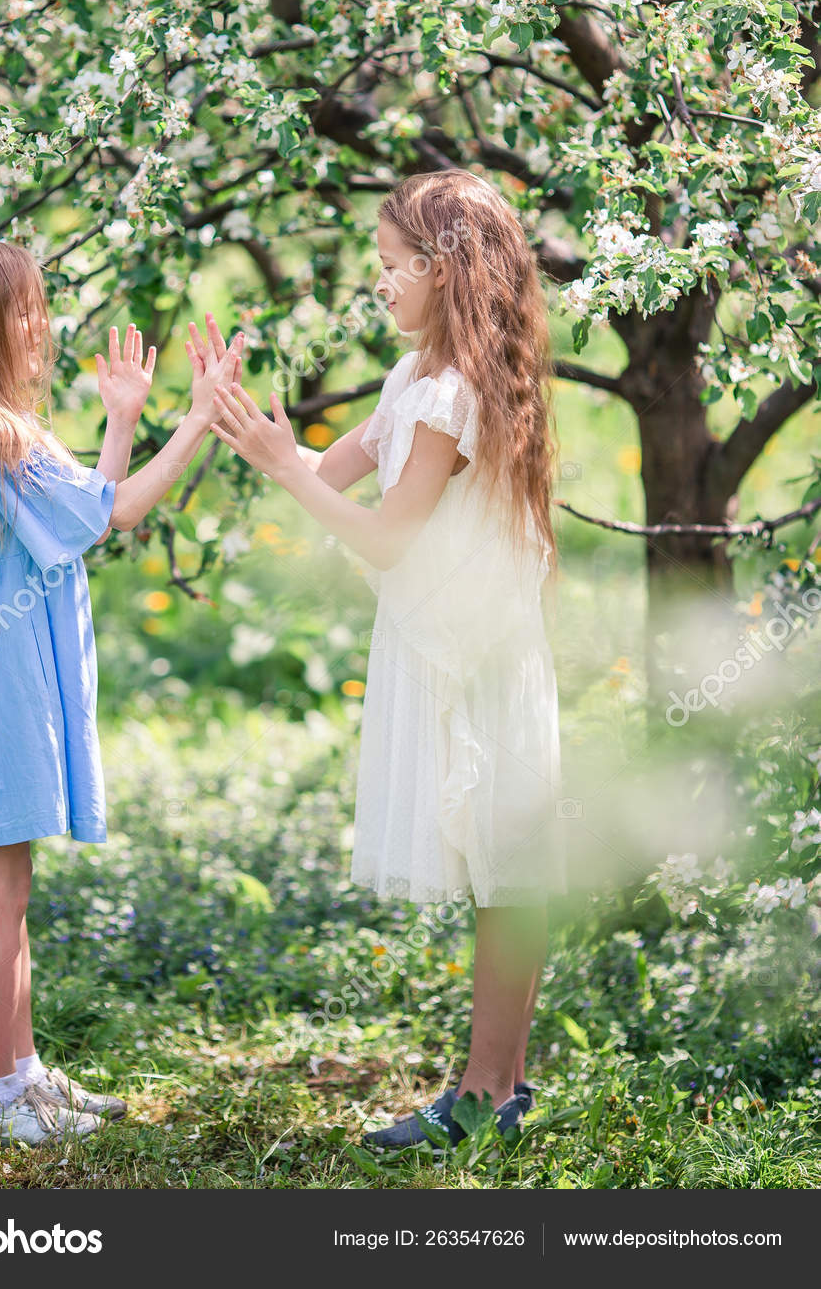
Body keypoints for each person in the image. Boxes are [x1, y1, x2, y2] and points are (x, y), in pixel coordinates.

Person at [210, 169, 565, 1149]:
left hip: (477, 657)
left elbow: (385, 539)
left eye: (390, 266)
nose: (377, 283)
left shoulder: (455, 394)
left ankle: (490, 1091)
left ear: (444, 273)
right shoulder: (412, 379)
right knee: (497, 868)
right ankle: (489, 1092)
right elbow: (330, 473)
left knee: (506, 871)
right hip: (439, 643)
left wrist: (289, 470)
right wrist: (257, 437)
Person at [0, 237, 242, 1145]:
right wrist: (194, 417)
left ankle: (21, 1077)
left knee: (11, 886)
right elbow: (111, 514)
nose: (38, 325)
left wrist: (122, 421)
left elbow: (87, 503)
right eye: (21, 311)